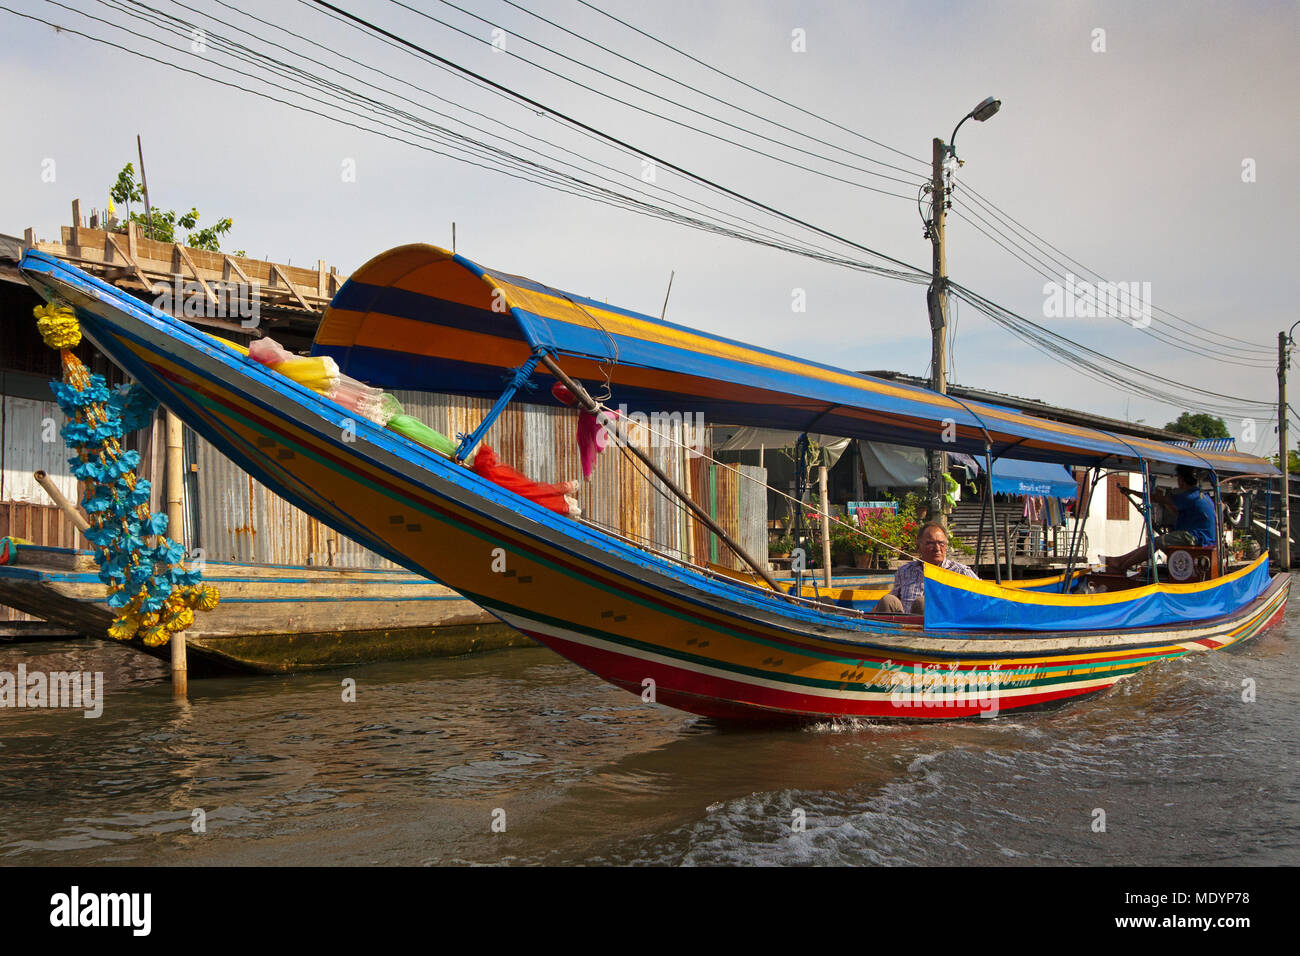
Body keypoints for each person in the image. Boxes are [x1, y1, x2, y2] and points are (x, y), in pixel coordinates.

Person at [1105, 465, 1216, 574]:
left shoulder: (1190, 496)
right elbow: (1176, 512)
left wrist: (1131, 491)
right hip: (1201, 537)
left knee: (1158, 542)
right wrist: (1163, 502)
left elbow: (1155, 498)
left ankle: (1121, 565)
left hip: (1199, 537)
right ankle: (1120, 560)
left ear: (1181, 480)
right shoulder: (1199, 495)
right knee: (1156, 542)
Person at [874, 521, 978, 614]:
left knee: (922, 604)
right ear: (918, 547)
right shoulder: (905, 571)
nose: (937, 549)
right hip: (903, 626)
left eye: (941, 543)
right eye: (930, 543)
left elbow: (982, 599)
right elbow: (894, 599)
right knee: (888, 600)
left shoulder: (960, 572)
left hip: (940, 627)